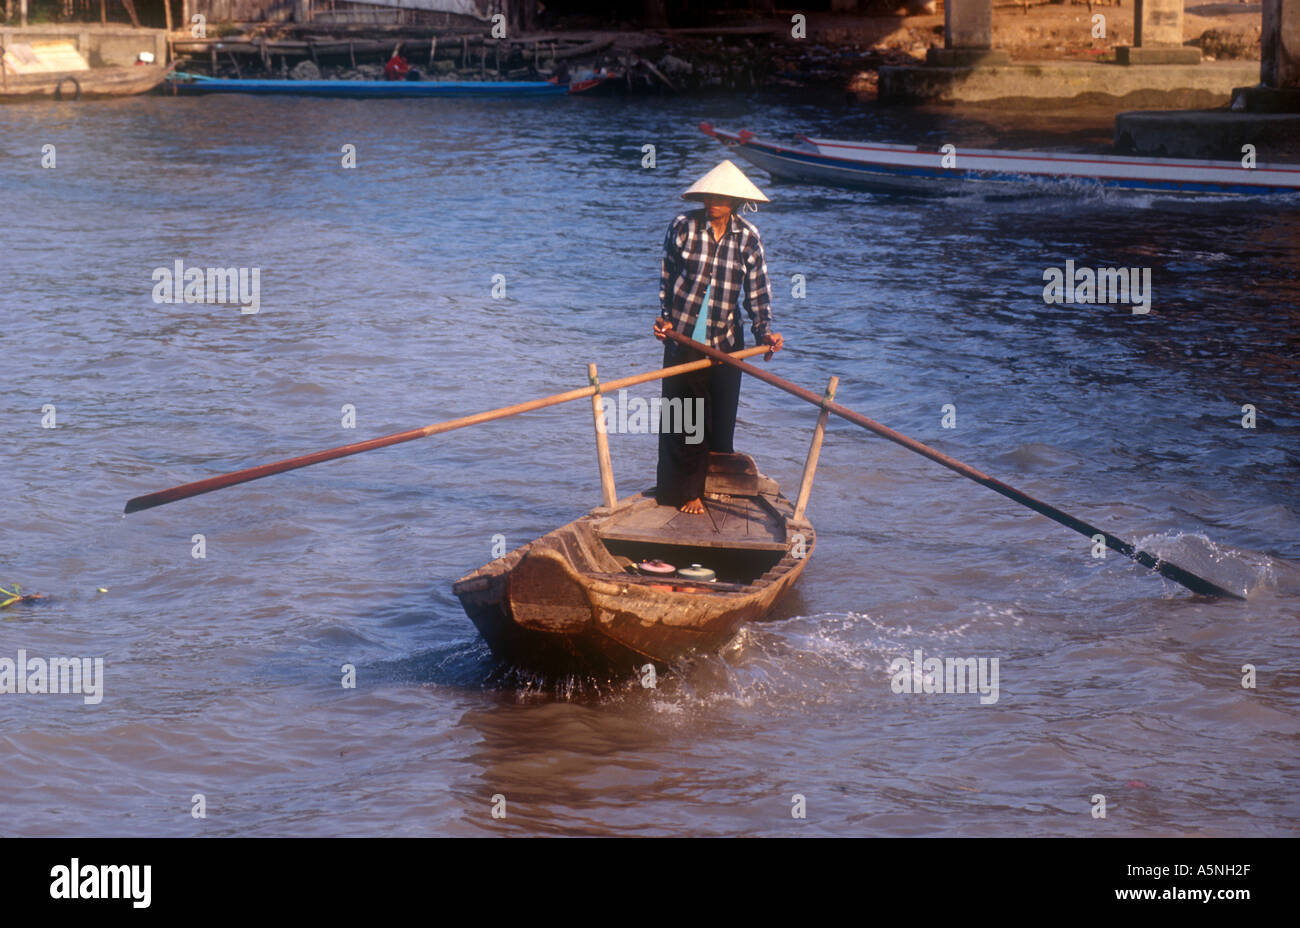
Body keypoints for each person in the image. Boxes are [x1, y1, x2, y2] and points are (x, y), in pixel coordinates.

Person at [653, 160, 784, 514]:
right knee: (685, 416)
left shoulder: (748, 237)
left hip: (726, 342)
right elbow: (667, 278)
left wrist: (765, 332)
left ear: (737, 202)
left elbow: (757, 292)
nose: (713, 202)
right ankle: (684, 491)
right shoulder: (683, 227)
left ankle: (712, 485)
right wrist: (664, 321)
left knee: (720, 416)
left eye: (722, 198)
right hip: (684, 338)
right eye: (710, 195)